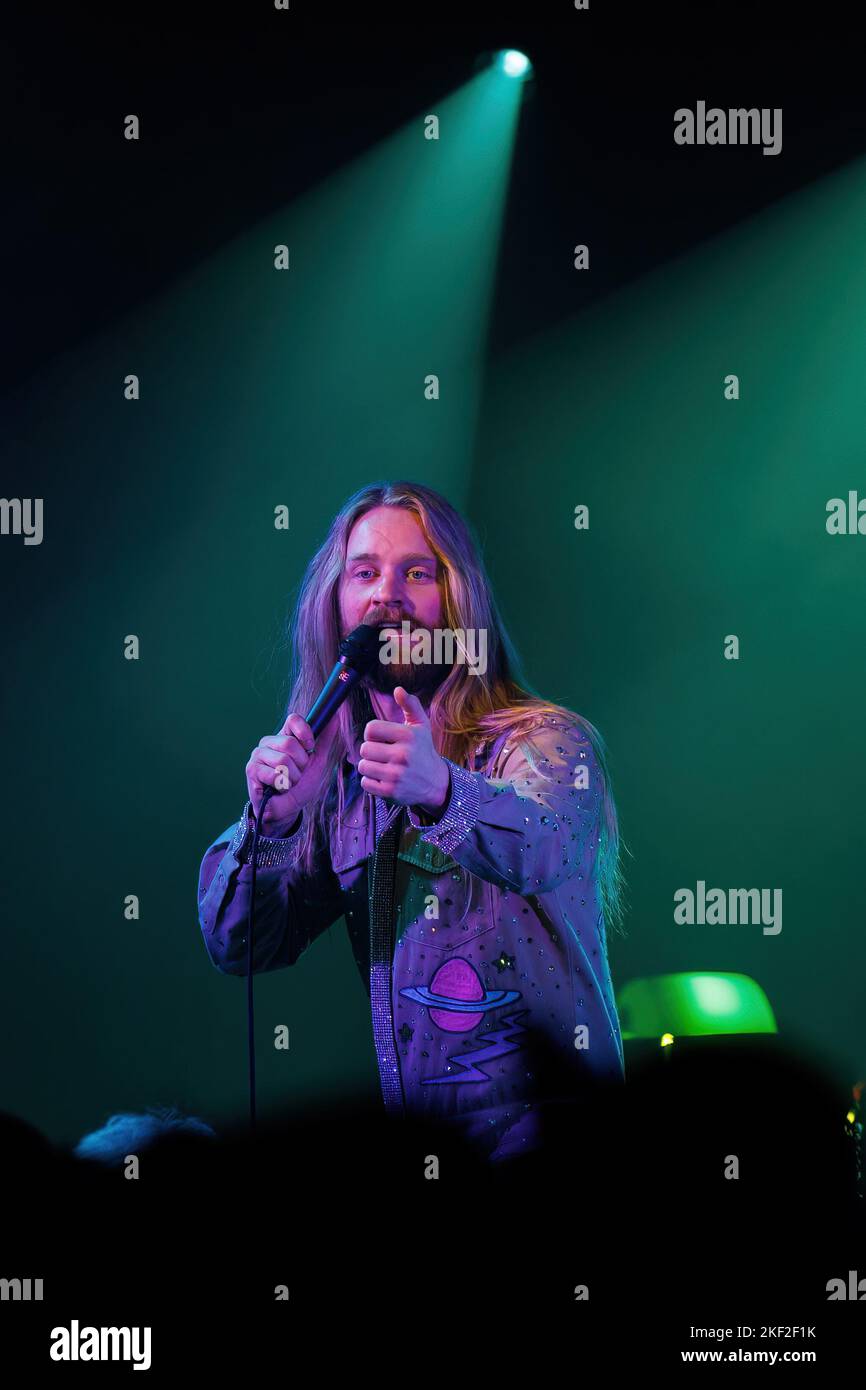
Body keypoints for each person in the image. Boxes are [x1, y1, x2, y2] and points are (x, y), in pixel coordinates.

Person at [197, 480, 626, 1161]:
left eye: (416, 572)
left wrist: (441, 790)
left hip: (559, 1148)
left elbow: (545, 847)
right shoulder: (343, 786)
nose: (386, 595)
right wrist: (274, 826)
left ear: (460, 600)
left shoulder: (543, 740)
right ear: (336, 607)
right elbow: (242, 945)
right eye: (364, 572)